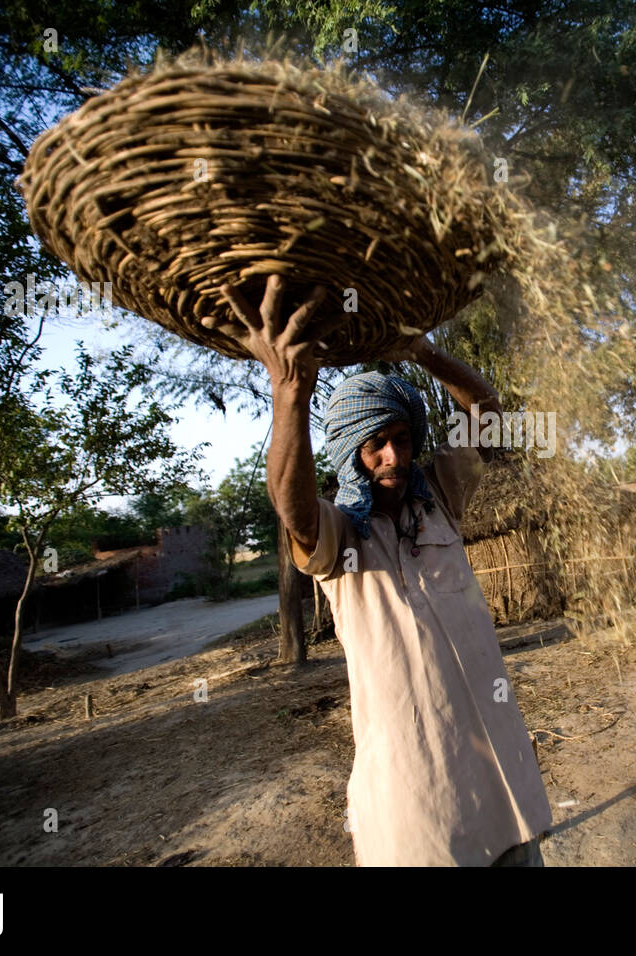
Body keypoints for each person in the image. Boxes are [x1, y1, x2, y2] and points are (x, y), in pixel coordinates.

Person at [207, 275, 552, 866]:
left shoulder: (438, 497)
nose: (393, 456)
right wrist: (290, 388)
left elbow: (490, 419)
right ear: (349, 454)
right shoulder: (337, 535)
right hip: (415, 798)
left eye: (400, 439)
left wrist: (422, 350)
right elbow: (291, 505)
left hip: (502, 776)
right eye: (375, 445)